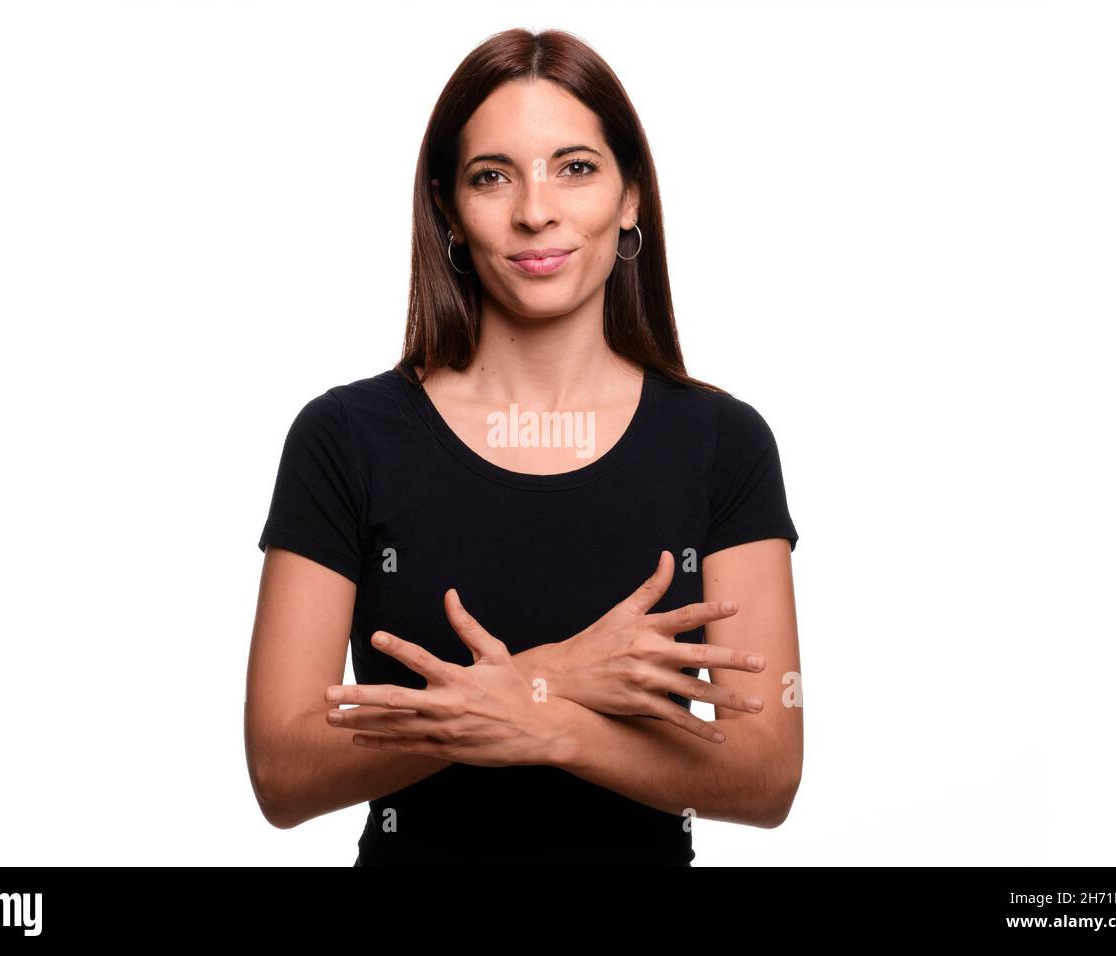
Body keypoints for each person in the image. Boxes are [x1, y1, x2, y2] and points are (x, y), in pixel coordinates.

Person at [244, 27, 802, 867]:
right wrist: (567, 673)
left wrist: (541, 718)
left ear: (631, 198)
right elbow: (282, 773)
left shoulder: (722, 444)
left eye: (575, 167)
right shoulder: (345, 439)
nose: (534, 209)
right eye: (492, 176)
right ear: (450, 213)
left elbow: (767, 778)